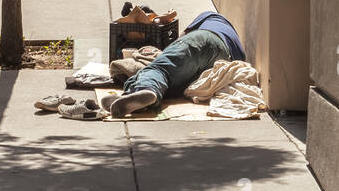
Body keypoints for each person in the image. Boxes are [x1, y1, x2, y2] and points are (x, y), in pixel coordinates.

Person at [105, 10, 245, 117]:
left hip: (203, 39)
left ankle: (143, 88)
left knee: (159, 69)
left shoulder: (209, 15)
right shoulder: (235, 44)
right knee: (173, 84)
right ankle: (137, 101)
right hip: (223, 61)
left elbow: (180, 41)